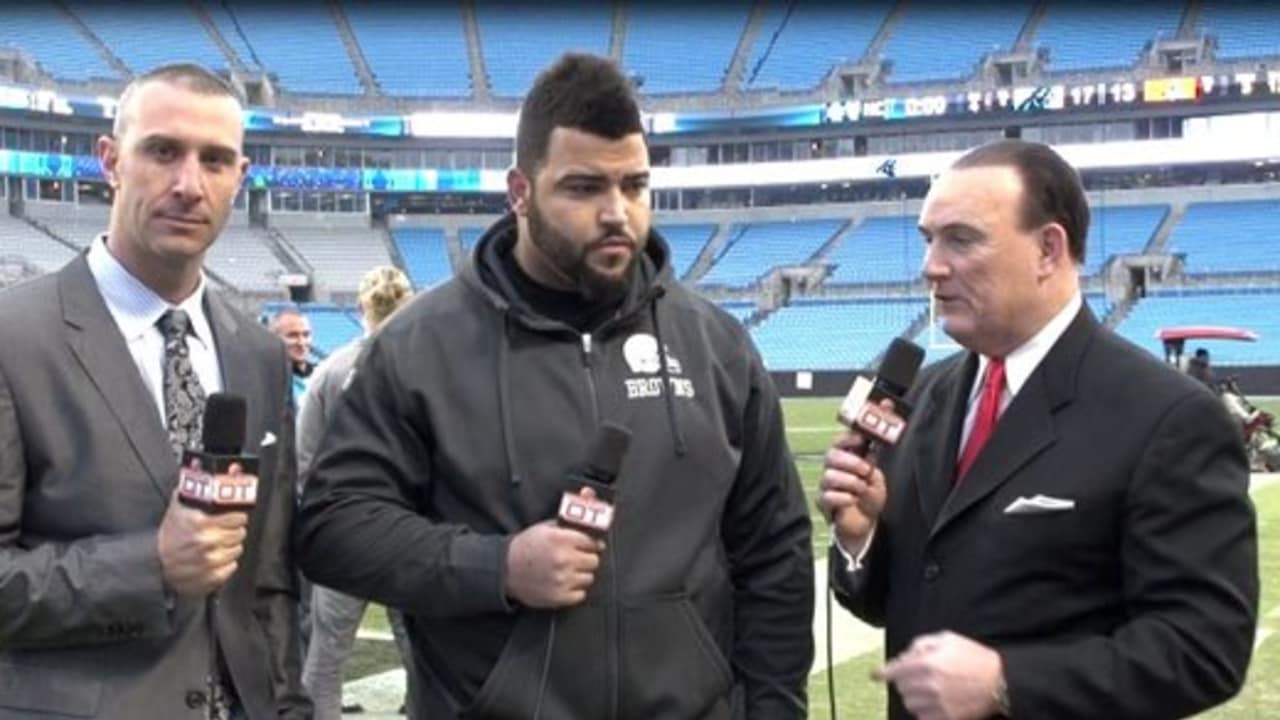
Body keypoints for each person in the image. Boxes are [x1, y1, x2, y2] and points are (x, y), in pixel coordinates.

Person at [296, 53, 813, 719]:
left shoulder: (716, 345)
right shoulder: (420, 346)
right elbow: (335, 528)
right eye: (584, 188)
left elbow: (775, 552)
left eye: (634, 186)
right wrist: (499, 568)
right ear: (520, 190)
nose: (617, 213)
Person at [818, 139, 1258, 720]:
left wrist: (1008, 682)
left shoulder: (1168, 416)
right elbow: (905, 598)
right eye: (929, 240)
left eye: (961, 238)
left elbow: (1204, 648)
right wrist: (861, 538)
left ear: (1049, 249)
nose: (932, 266)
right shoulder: (922, 396)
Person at [0, 64, 310, 719]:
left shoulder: (258, 357)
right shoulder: (13, 337)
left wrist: (287, 705)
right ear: (110, 161)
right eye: (163, 151)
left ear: (241, 179)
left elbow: (271, 580)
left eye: (216, 160)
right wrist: (150, 566)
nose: (189, 184)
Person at [296, 266, 417, 719]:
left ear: (362, 308)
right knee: (424, 654)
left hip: (344, 533)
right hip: (409, 530)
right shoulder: (425, 370)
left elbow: (303, 463)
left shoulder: (330, 371)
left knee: (326, 659)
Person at [270, 307, 314, 398]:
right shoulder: (265, 380)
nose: (301, 342)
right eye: (293, 335)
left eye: (306, 335)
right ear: (274, 339)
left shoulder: (322, 376)